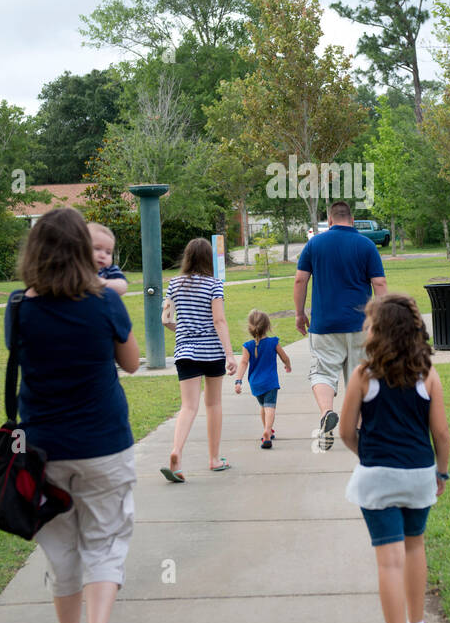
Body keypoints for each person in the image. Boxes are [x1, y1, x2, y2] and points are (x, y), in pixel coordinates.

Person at [5, 206, 141, 623]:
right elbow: (130, 363)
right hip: (105, 442)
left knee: (62, 553)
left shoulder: (19, 307)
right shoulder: (104, 303)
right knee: (105, 543)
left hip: (43, 450)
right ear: (85, 253)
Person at [338, 293, 450, 623]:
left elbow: (345, 431)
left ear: (379, 332)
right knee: (415, 544)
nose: (365, 329)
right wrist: (442, 472)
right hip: (419, 474)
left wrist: (364, 452)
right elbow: (441, 433)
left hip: (376, 477)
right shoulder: (428, 374)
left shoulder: (363, 375)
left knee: (388, 561)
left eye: (369, 324)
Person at [294, 201, 387, 450]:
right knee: (359, 376)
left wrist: (300, 314)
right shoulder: (366, 245)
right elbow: (379, 283)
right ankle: (357, 430)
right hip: (361, 325)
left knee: (322, 372)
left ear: (330, 220)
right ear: (352, 220)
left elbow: (300, 280)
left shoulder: (314, 245)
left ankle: (326, 413)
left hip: (325, 324)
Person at [161, 237, 237, 481]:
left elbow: (166, 319)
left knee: (188, 406)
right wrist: (229, 354)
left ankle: (177, 453)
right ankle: (214, 459)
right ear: (208, 259)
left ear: (187, 257)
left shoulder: (174, 284)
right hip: (212, 352)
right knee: (213, 404)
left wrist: (183, 330)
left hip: (185, 352)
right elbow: (219, 320)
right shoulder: (214, 284)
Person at [234, 309, 292, 447]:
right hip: (270, 382)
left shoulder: (247, 346)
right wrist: (288, 365)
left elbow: (243, 363)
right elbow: (285, 357)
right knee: (270, 407)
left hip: (256, 384)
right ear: (268, 326)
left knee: (263, 407)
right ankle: (267, 431)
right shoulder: (273, 342)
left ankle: (267, 430)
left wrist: (238, 381)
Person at [88, 222, 129, 297]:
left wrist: (103, 283)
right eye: (97, 248)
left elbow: (123, 286)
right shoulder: (78, 269)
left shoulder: (109, 270)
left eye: (108, 252)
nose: (103, 256)